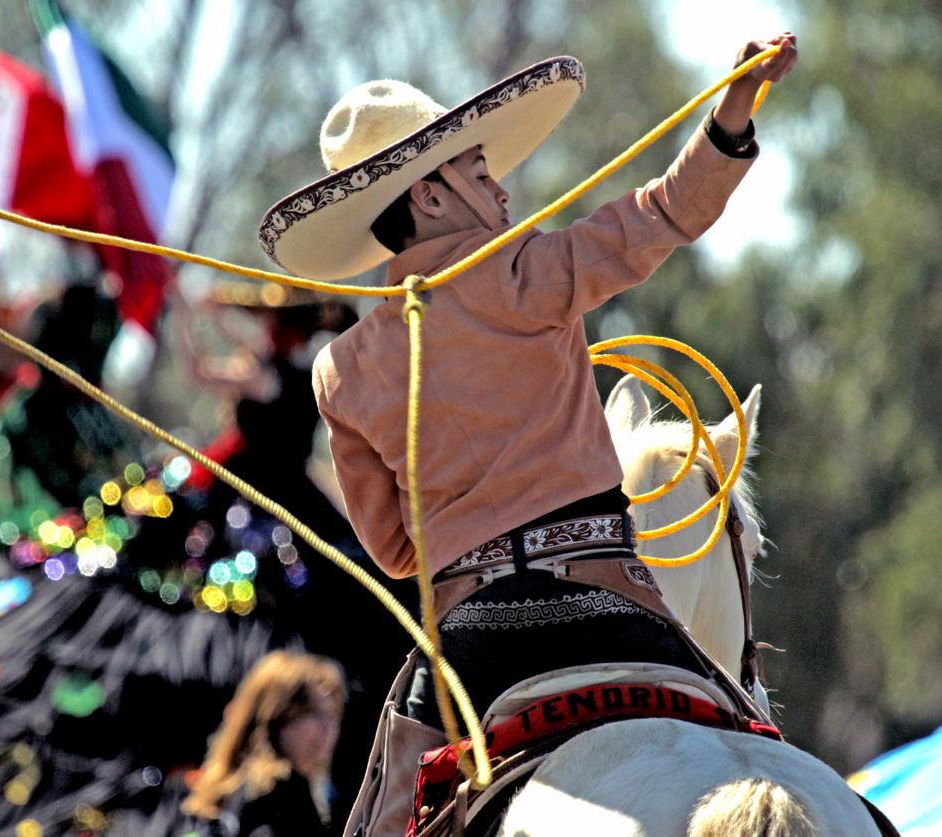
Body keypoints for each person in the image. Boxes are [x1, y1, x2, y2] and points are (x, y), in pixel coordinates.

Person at [256, 34, 798, 830]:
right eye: (479, 172)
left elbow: (398, 553)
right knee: (758, 738)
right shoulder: (527, 274)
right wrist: (733, 111)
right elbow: (667, 211)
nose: (501, 191)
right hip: (609, 604)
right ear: (431, 197)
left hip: (474, 640)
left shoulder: (343, 370)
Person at [181, 650, 346, 837]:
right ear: (275, 716)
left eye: (332, 715)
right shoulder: (283, 793)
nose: (327, 729)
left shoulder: (227, 789)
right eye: (313, 712)